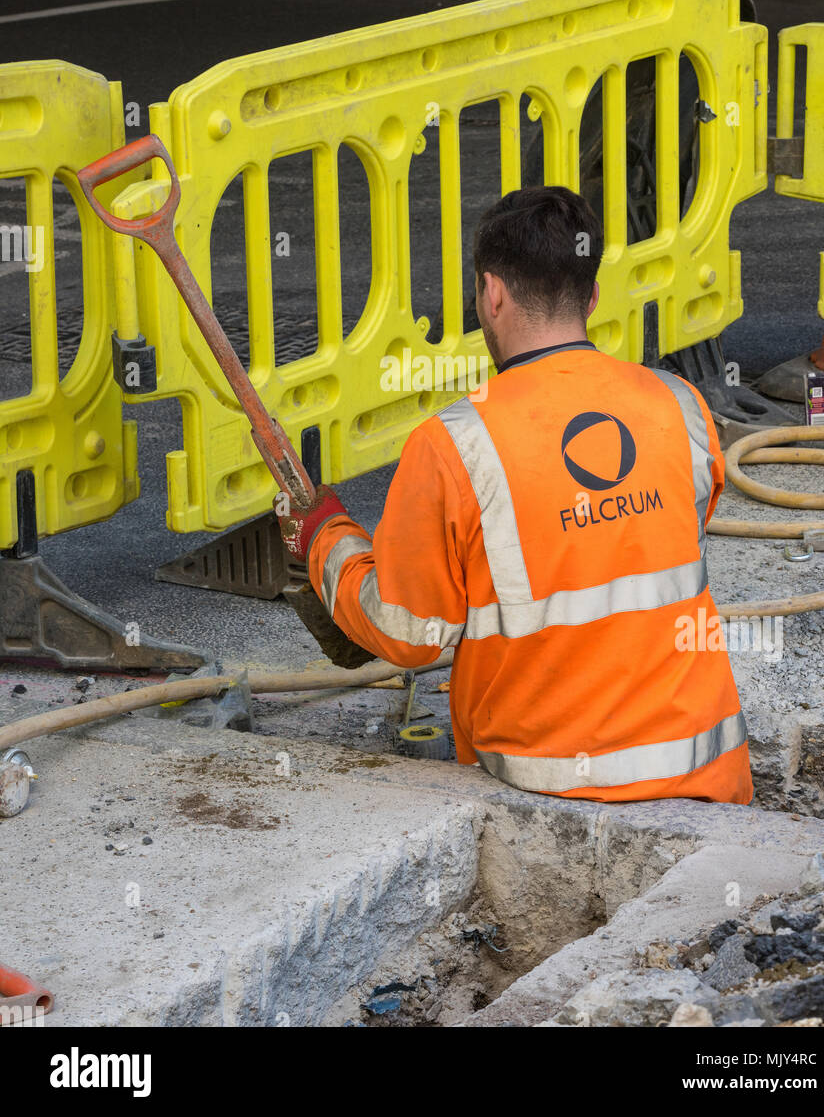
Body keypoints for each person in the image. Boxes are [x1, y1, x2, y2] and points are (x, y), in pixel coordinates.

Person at [275, 186, 752, 805]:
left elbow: (405, 632)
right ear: (593, 296)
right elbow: (656, 538)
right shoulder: (679, 404)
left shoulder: (455, 445)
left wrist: (322, 536)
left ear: (492, 294)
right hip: (711, 781)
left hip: (551, 793)